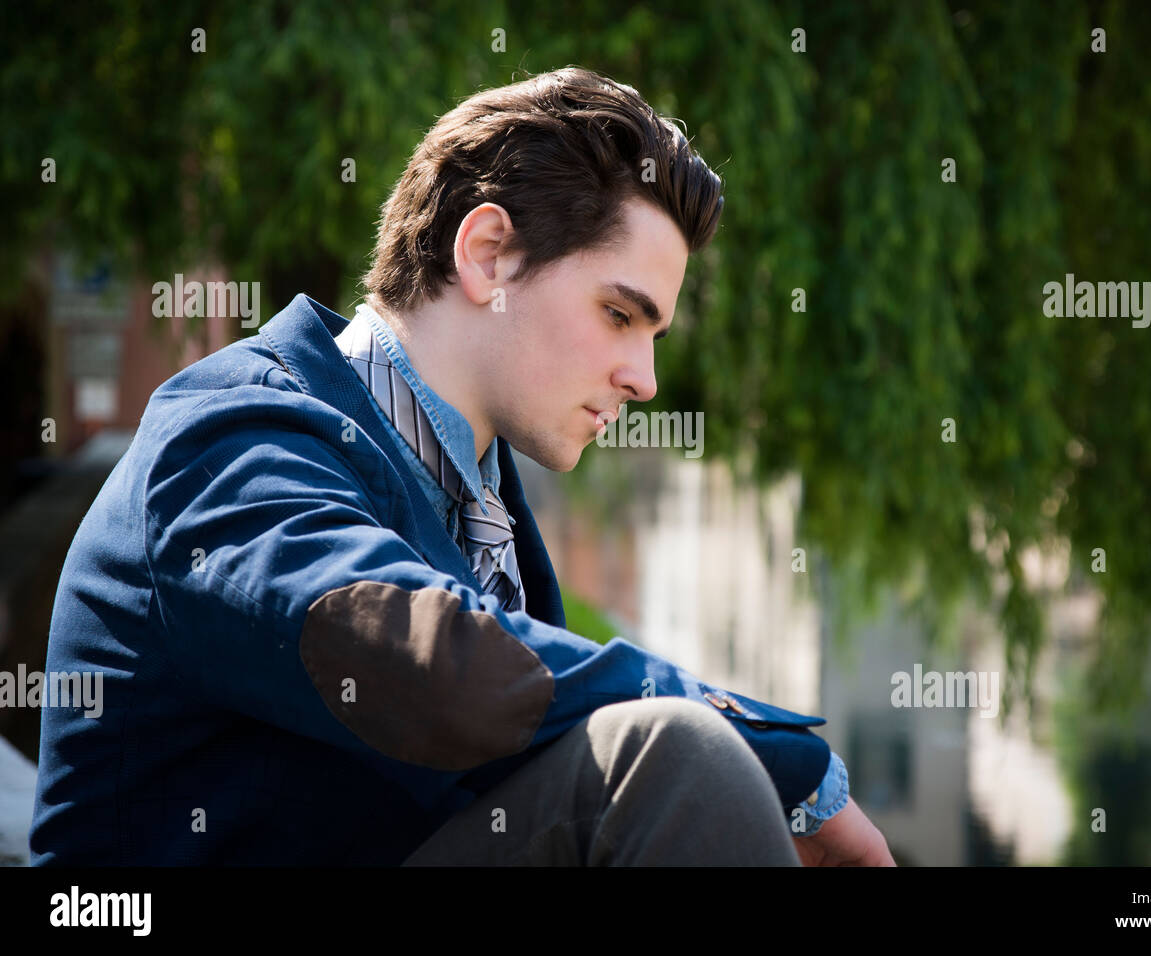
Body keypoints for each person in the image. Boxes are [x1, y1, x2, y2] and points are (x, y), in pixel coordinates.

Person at [30, 66, 895, 866]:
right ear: (488, 255)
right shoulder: (234, 437)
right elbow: (433, 669)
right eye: (619, 314)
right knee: (672, 758)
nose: (645, 378)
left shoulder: (486, 511)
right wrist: (780, 759)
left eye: (653, 334)